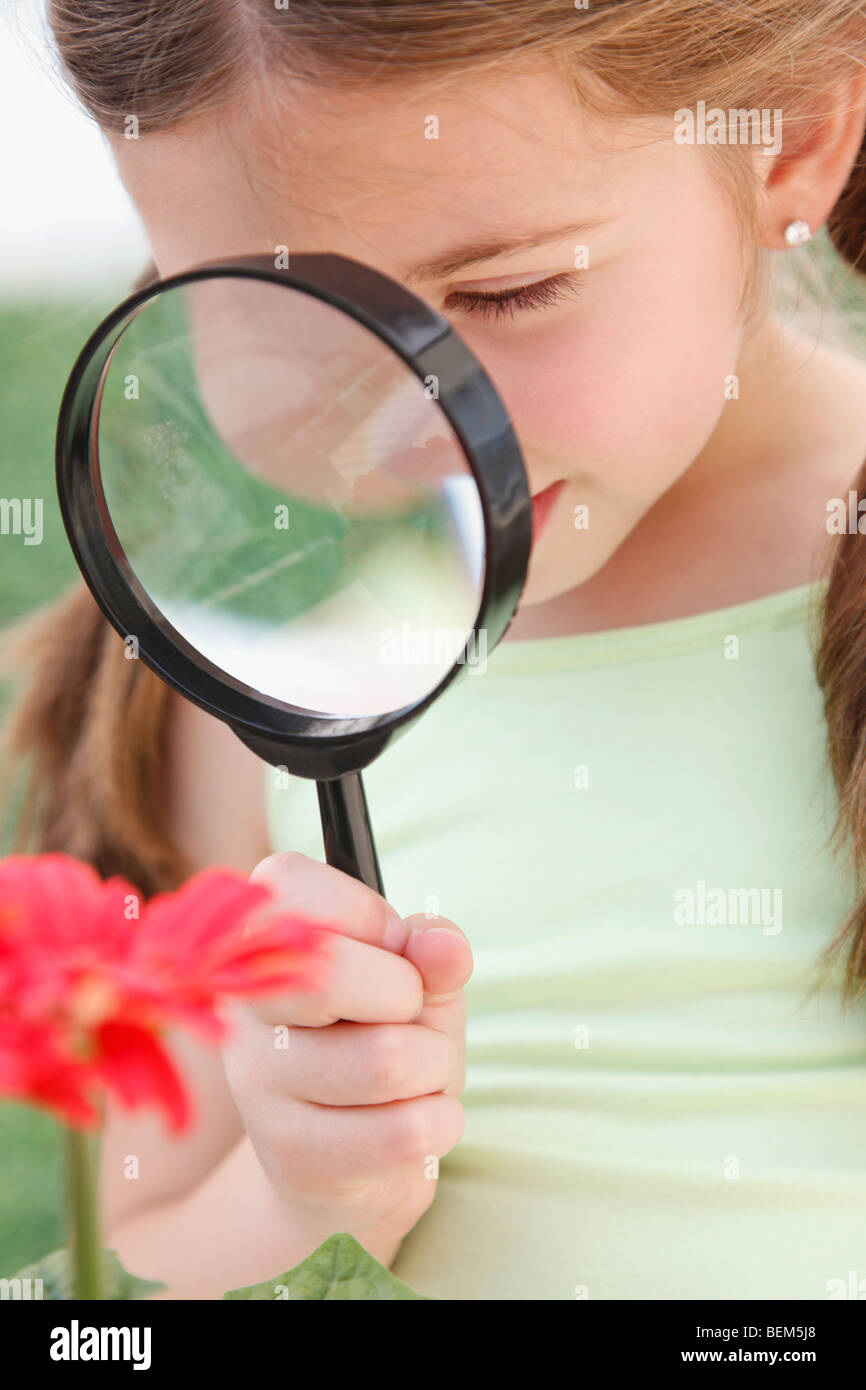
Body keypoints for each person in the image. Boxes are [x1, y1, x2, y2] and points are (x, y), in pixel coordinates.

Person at [5, 0, 866, 1299]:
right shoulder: (248, 662)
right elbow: (110, 1292)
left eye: (511, 289)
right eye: (282, 318)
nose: (406, 431)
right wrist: (295, 1193)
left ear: (790, 140)